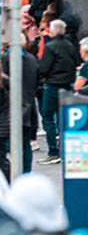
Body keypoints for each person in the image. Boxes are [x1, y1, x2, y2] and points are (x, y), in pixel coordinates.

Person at [37, 19, 79, 165]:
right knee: (63, 118)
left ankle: (53, 151)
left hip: (52, 84)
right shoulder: (70, 46)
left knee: (47, 116)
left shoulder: (50, 47)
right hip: (67, 85)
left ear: (52, 31)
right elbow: (75, 62)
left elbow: (43, 68)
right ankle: (65, 149)